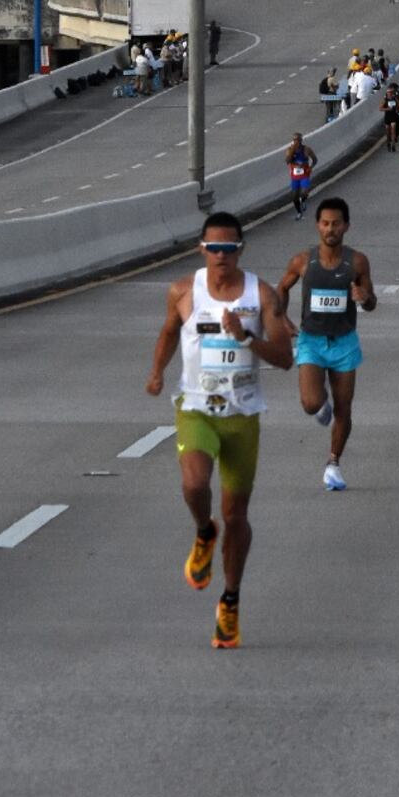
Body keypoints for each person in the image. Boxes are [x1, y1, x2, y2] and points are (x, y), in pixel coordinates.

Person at [145, 210, 294, 650]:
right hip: (197, 409)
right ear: (202, 250)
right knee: (194, 485)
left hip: (242, 417)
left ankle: (230, 601)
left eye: (229, 249)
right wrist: (156, 372)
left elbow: (285, 357)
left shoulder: (261, 295)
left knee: (236, 516)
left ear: (240, 250)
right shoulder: (182, 291)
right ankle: (202, 531)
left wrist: (245, 338)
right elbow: (169, 332)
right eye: (214, 249)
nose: (221, 257)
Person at [277, 197, 377, 492]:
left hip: (345, 342)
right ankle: (321, 408)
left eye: (336, 224)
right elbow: (282, 287)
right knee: (310, 403)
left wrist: (365, 298)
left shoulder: (357, 262)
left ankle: (333, 463)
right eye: (325, 223)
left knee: (344, 408)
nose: (330, 229)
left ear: (346, 226)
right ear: (317, 226)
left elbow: (371, 302)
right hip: (312, 340)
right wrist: (281, 317)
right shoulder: (302, 261)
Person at [284, 132, 318, 219]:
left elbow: (315, 159)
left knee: (304, 192)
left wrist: (311, 167)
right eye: (295, 140)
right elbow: (287, 161)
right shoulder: (289, 150)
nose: (296, 142)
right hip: (294, 177)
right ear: (292, 141)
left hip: (305, 174)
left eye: (298, 140)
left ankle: (303, 200)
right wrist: (292, 150)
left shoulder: (307, 149)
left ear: (301, 140)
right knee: (294, 196)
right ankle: (299, 212)